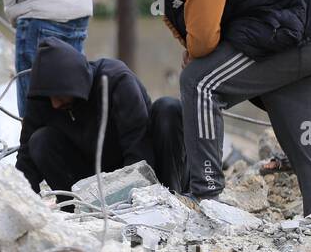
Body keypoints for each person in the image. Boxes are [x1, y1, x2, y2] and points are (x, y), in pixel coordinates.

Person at [123, 0, 311, 216]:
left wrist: (193, 47)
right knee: (309, 150)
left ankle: (206, 194)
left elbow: (203, 41)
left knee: (199, 83)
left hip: (303, 38)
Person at [16, 38, 185, 197]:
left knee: (167, 108)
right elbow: (26, 158)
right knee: (39, 141)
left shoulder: (116, 80)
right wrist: (18, 199)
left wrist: (133, 197)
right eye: (49, 98)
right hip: (93, 178)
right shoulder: (42, 99)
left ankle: (171, 197)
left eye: (59, 96)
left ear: (74, 84)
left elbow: (138, 148)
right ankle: (77, 207)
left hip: (145, 168)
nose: (55, 104)